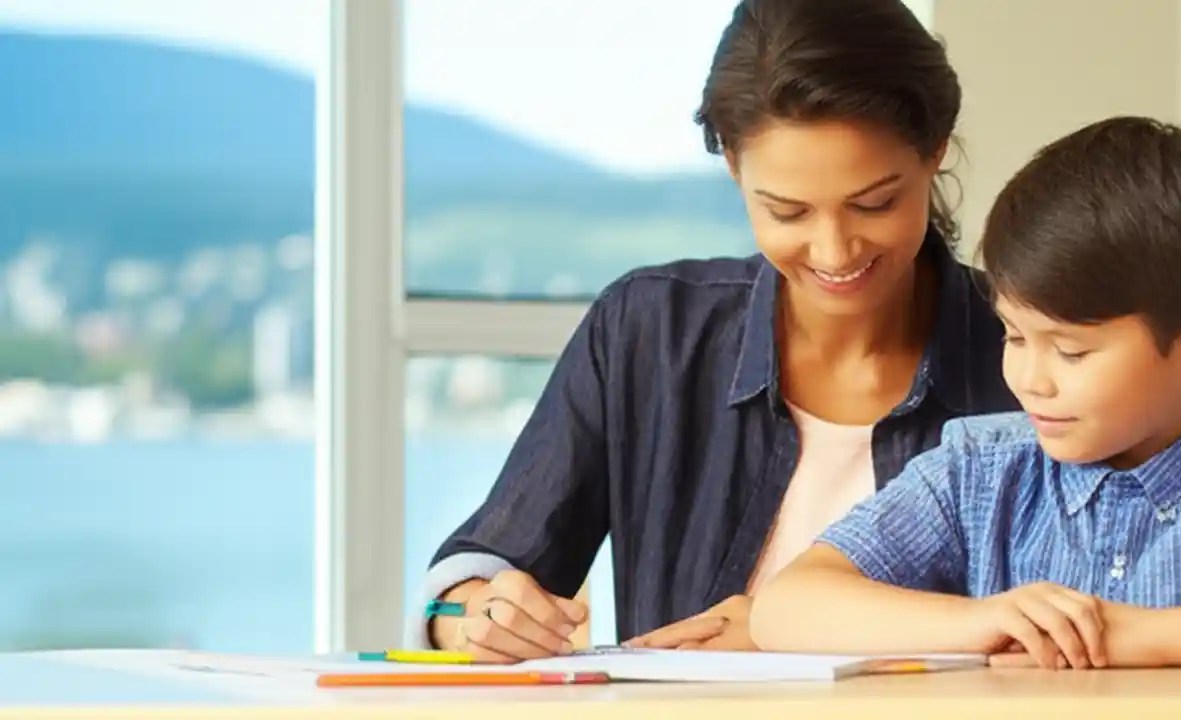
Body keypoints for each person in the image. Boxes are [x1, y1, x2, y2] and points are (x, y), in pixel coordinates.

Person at [407, 0, 1017, 662]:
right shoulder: (648, 332)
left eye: (874, 203)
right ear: (732, 164)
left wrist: (788, 625)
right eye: (787, 211)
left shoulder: (1035, 358)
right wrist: (472, 617)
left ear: (935, 151)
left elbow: (1082, 627)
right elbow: (480, 572)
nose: (835, 250)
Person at [750, 116, 1181, 670]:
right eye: (1015, 336)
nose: (1031, 379)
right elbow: (786, 607)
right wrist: (984, 621)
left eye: (1072, 351)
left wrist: (1133, 638)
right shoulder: (979, 472)